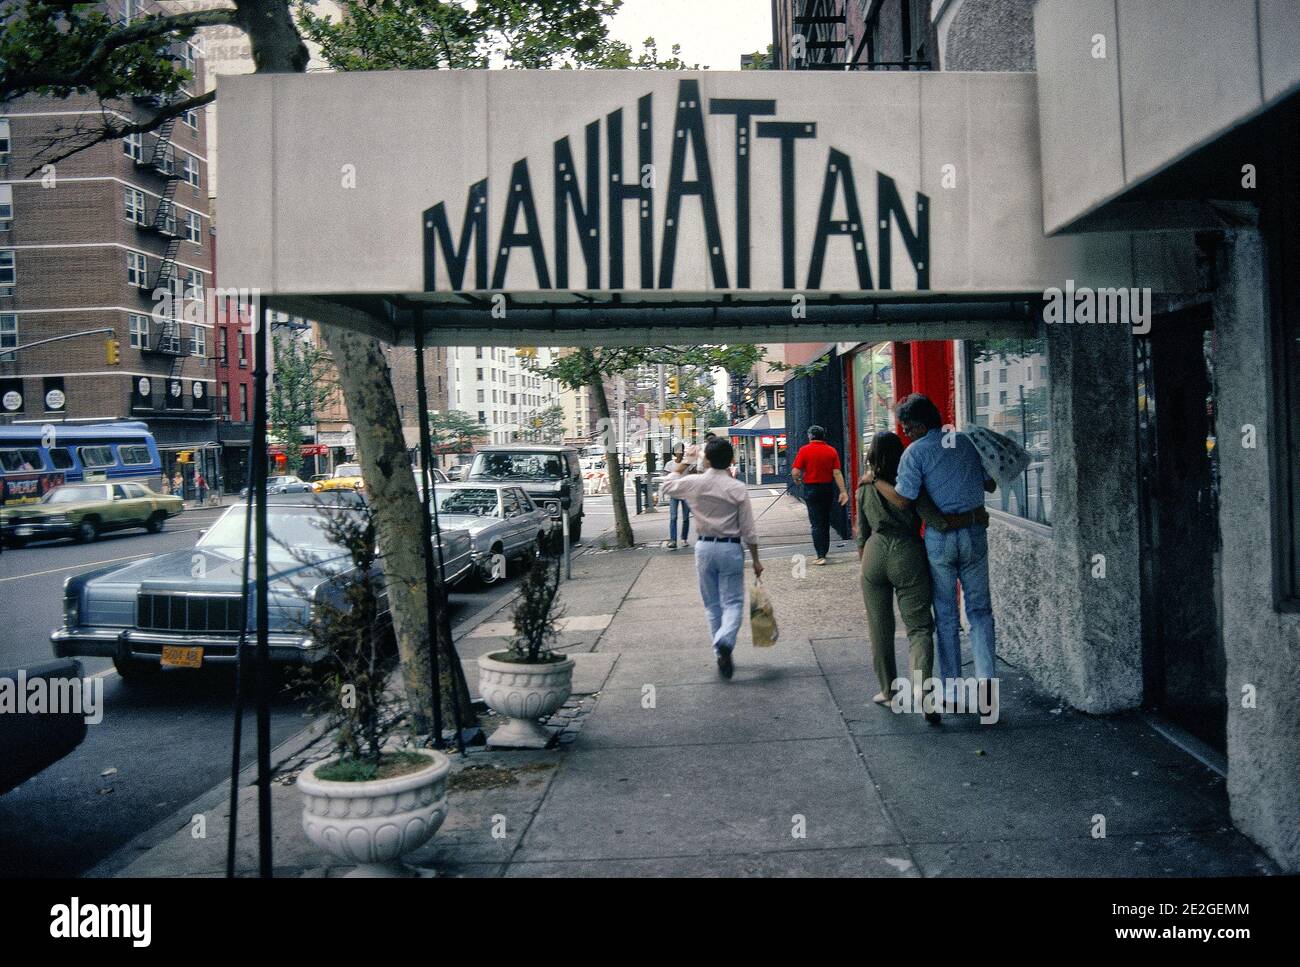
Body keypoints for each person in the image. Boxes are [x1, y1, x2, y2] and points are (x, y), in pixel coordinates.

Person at [873, 393, 997, 710]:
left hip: (941, 540)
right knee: (980, 613)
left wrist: (875, 481)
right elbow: (990, 483)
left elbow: (903, 498)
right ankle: (987, 697)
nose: (905, 433)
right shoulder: (967, 442)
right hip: (973, 533)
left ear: (916, 426)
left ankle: (953, 693)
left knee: (945, 615)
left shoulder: (915, 453)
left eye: (906, 428)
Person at [857, 432, 986, 724]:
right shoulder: (910, 484)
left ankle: (888, 691)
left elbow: (860, 534)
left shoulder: (864, 487)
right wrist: (974, 517)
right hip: (907, 554)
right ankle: (923, 693)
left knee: (879, 627)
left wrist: (864, 564)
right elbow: (937, 520)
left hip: (873, 555)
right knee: (919, 629)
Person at [661, 438, 763, 680]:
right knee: (734, 602)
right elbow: (748, 529)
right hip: (730, 549)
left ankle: (720, 650)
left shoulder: (696, 483)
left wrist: (686, 461)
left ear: (706, 459)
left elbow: (667, 486)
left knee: (712, 605)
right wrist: (756, 560)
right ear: (731, 461)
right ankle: (725, 640)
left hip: (704, 547)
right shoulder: (737, 488)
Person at [790, 425, 850, 565]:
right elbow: (837, 472)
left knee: (816, 523)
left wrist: (798, 481)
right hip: (827, 488)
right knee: (825, 521)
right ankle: (825, 551)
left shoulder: (804, 450)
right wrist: (843, 491)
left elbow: (795, 472)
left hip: (811, 489)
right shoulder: (831, 451)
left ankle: (820, 555)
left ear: (810, 436)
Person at [666, 443, 691, 549]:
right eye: (678, 450)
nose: (680, 452)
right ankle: (673, 540)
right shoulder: (669, 464)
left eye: (682, 450)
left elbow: (694, 474)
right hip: (674, 494)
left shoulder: (687, 463)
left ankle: (684, 538)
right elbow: (666, 479)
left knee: (685, 517)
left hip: (685, 493)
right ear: (674, 452)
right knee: (673, 517)